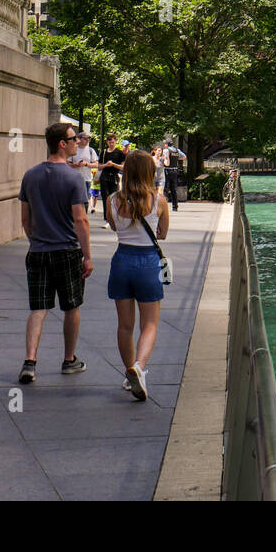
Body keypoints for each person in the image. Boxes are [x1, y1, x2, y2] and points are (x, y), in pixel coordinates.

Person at [18, 122, 93, 383]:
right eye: (73, 139)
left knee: (38, 308)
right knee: (71, 306)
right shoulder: (73, 178)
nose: (77, 143)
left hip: (38, 251)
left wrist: (35, 240)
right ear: (62, 144)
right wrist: (87, 256)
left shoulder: (30, 175)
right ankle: (69, 359)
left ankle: (30, 362)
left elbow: (25, 218)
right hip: (67, 251)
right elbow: (80, 220)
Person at [104, 150, 170, 401]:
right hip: (148, 263)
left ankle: (129, 371)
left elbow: (113, 226)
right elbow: (162, 234)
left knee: (124, 325)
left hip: (122, 261)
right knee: (149, 324)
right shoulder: (158, 200)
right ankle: (139, 367)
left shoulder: (112, 200)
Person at [97, 133, 126, 229]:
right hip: (104, 176)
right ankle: (107, 219)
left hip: (114, 176)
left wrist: (113, 164)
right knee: (105, 198)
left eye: (113, 142)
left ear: (116, 142)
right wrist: (106, 165)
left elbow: (123, 167)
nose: (111, 144)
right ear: (107, 142)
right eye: (110, 142)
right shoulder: (104, 152)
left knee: (113, 198)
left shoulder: (119, 153)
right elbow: (99, 166)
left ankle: (114, 218)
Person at [69, 131, 98, 212]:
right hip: (74, 178)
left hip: (86, 178)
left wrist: (86, 164)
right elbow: (67, 163)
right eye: (85, 138)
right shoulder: (74, 149)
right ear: (79, 139)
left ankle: (84, 214)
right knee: (75, 198)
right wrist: (75, 165)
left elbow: (96, 164)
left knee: (85, 199)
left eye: (88, 139)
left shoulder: (91, 150)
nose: (87, 140)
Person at [160, 138, 186, 211]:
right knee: (173, 190)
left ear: (167, 144)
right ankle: (175, 207)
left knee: (166, 189)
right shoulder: (177, 150)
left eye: (165, 144)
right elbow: (184, 157)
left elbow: (164, 159)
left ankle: (164, 207)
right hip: (175, 171)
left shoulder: (166, 150)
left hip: (167, 171)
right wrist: (176, 159)